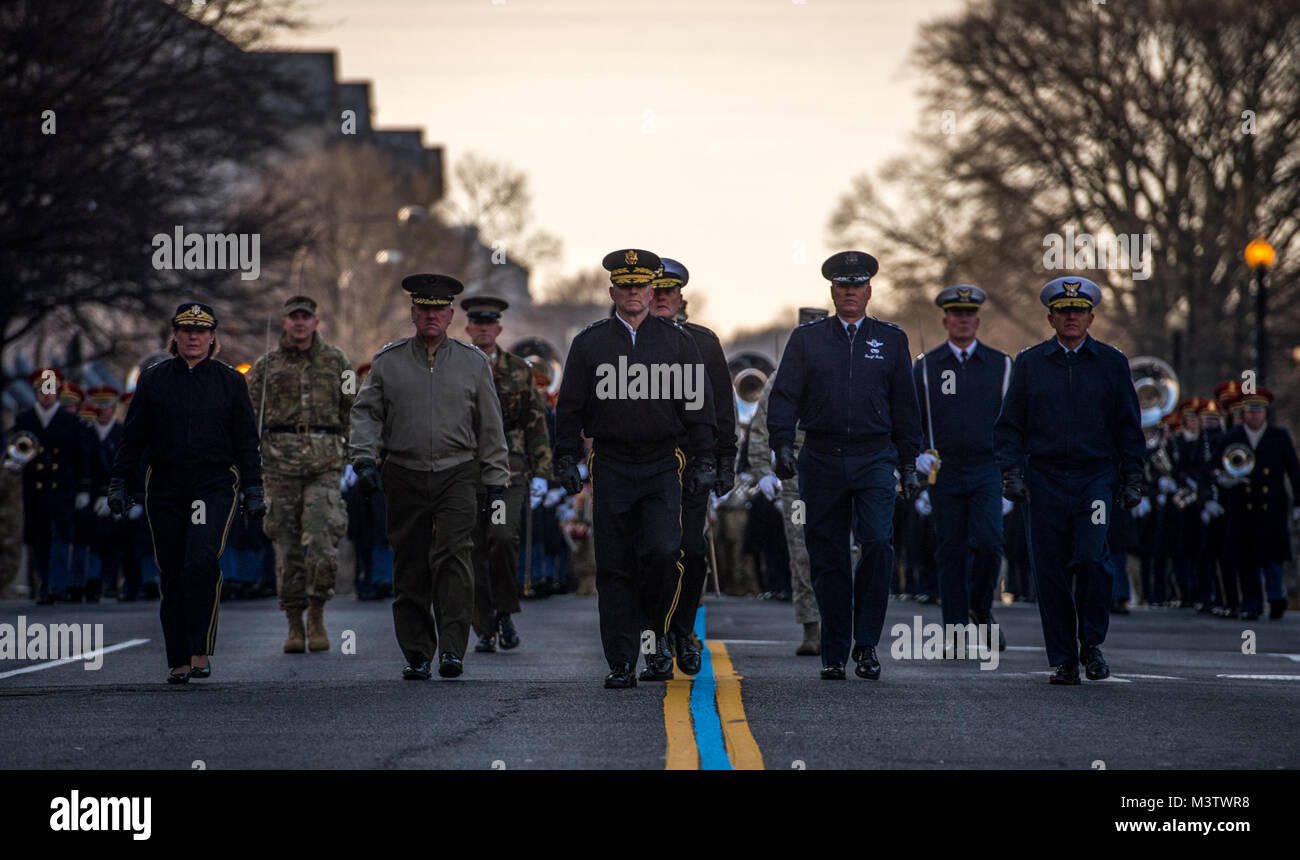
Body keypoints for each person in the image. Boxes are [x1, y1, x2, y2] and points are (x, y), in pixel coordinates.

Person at [553, 249, 716, 689]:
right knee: (615, 565)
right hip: (611, 463)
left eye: (640, 286)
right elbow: (569, 408)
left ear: (650, 290)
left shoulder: (678, 342)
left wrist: (705, 460)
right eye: (625, 286)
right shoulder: (590, 343)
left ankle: (656, 630)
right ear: (612, 292)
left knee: (664, 552)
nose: (633, 293)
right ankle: (622, 660)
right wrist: (565, 457)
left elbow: (699, 407)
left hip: (662, 463)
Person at [768, 251, 924, 681]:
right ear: (832, 292)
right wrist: (781, 443)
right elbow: (785, 396)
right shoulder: (808, 339)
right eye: (842, 286)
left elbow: (905, 404)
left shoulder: (890, 339)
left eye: (857, 286)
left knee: (877, 542)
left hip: (874, 457)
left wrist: (909, 461)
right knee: (828, 554)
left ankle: (867, 644)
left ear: (869, 291)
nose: (850, 292)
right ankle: (834, 651)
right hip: (821, 456)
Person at [348, 274, 510, 681]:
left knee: (454, 557)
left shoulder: (473, 363)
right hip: (404, 471)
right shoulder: (388, 361)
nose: (431, 316)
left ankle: (452, 649)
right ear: (413, 313)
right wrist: (364, 459)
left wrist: (496, 479)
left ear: (451, 315)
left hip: (458, 471)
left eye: (439, 310)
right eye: (424, 309)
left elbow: (490, 424)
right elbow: (366, 413)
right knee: (411, 562)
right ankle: (418, 652)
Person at [994, 277, 1144, 685]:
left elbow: (1128, 425)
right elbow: (1010, 425)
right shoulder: (1030, 363)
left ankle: (1091, 643)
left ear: (1091, 318)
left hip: (1095, 479)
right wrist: (1010, 473)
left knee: (1093, 559)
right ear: (1051, 319)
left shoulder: (1111, 363)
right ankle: (1063, 659)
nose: (1071, 317)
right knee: (1050, 571)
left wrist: (1133, 477)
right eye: (1064, 311)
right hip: (1044, 479)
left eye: (1079, 311)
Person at [108, 302, 265, 683]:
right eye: (186, 330)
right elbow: (133, 438)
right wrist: (120, 482)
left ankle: (199, 648)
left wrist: (254, 488)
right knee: (173, 569)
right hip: (166, 485)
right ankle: (178, 658)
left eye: (201, 331)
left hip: (213, 485)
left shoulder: (230, 381)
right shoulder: (153, 380)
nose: (193, 337)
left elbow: (246, 441)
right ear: (175, 336)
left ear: (213, 337)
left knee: (201, 561)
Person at [642, 258, 736, 679]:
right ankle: (654, 638)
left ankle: (682, 631)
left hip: (693, 461)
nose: (662, 298)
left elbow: (722, 407)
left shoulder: (703, 342)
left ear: (681, 297)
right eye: (655, 291)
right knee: (653, 554)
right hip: (646, 462)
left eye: (669, 292)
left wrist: (725, 461)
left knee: (692, 552)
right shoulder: (629, 341)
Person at [247, 295, 354, 654]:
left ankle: (317, 614)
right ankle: (294, 620)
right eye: (293, 317)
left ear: (315, 323)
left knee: (322, 540)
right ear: (285, 323)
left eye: (305, 317)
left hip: (325, 464)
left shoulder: (338, 361)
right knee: (287, 547)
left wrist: (356, 459)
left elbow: (353, 410)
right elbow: (250, 416)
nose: (299, 322)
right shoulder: (267, 365)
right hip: (279, 466)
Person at [912, 285, 1012, 653]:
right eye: (956, 315)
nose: (963, 320)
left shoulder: (1001, 365)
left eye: (969, 314)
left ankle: (981, 609)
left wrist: (1011, 475)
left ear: (978, 321)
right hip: (945, 469)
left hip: (987, 469)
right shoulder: (926, 367)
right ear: (945, 321)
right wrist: (918, 454)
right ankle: (954, 628)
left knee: (989, 543)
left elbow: (1015, 423)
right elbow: (911, 418)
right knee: (950, 550)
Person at [460, 296, 553, 654]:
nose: (484, 330)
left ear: (498, 329)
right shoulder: (456, 367)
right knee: (473, 548)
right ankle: (484, 626)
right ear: (468, 328)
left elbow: (535, 421)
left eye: (490, 324)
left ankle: (504, 612)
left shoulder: (518, 370)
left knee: (501, 538)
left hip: (509, 472)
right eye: (478, 324)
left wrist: (542, 470)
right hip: (466, 471)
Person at [748, 308, 827, 656]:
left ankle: (842, 623)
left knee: (846, 550)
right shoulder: (783, 378)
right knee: (802, 549)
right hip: (795, 476)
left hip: (838, 472)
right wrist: (762, 470)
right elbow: (761, 427)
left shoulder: (844, 369)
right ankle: (812, 627)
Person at [7, 367, 88, 605]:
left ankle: (57, 586)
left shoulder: (70, 420)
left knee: (61, 537)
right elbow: (14, 446)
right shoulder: (24, 419)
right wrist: (14, 461)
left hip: (62, 487)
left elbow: (80, 455)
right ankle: (44, 583)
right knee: (39, 539)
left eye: (51, 390)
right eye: (42, 390)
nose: (46, 394)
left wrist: (84, 488)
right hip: (35, 487)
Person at [1218, 387, 1300, 620]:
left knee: (1273, 556)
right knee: (1246, 558)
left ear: (1265, 412)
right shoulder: (1232, 436)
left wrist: (1298, 502)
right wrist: (1225, 479)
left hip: (1271, 505)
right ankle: (1252, 603)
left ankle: (1276, 597)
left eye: (1259, 411)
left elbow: (1293, 470)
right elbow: (1215, 466)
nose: (1255, 416)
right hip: (1243, 505)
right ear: (1244, 413)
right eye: (1250, 411)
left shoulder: (1279, 436)